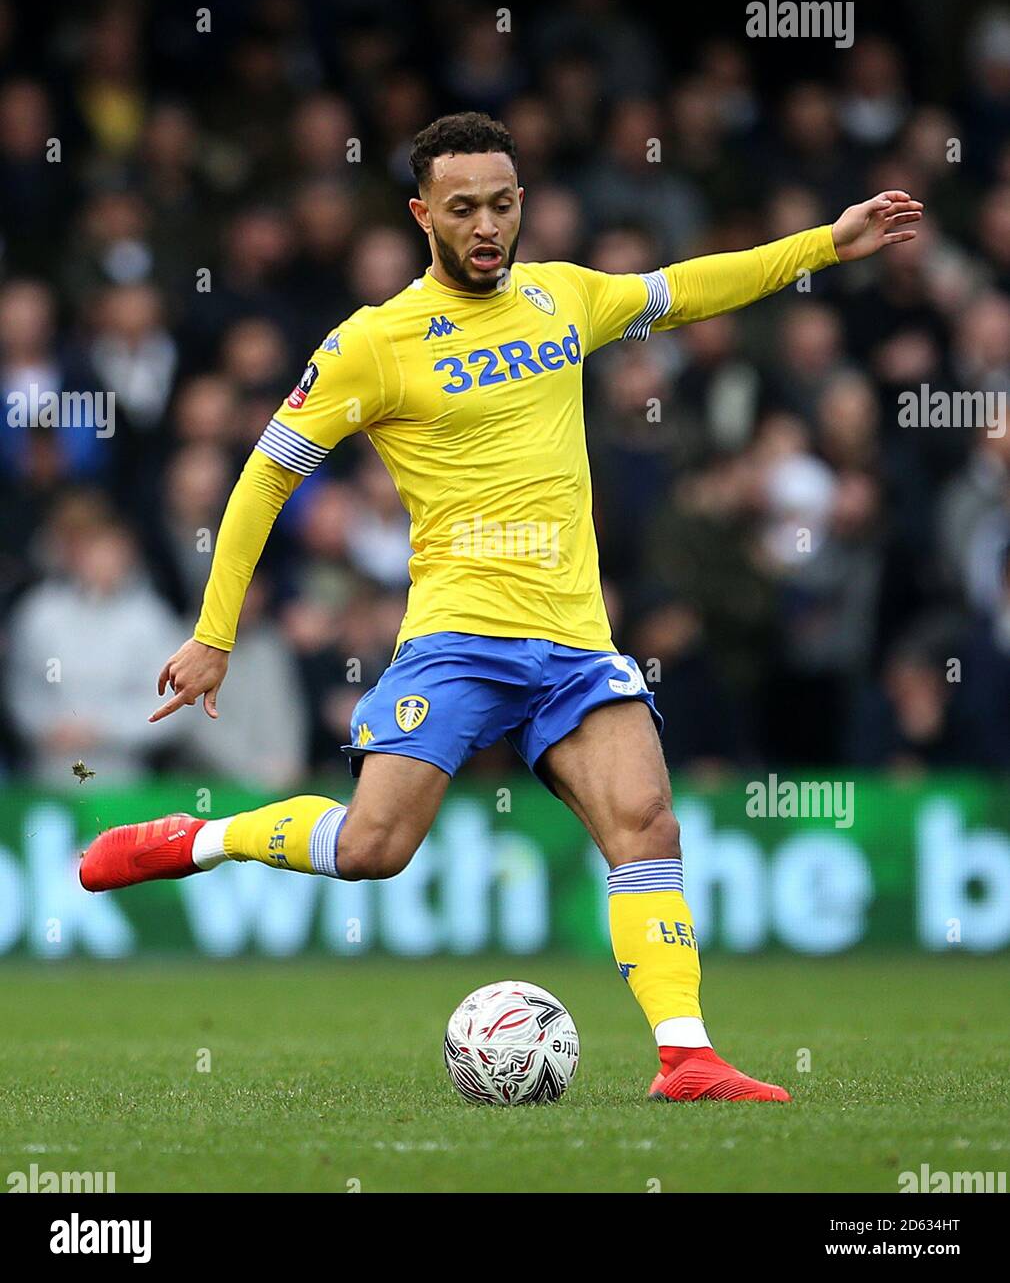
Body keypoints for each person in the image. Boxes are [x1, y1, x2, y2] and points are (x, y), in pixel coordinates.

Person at [80, 112, 923, 1102]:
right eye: (465, 208)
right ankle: (197, 838)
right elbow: (264, 478)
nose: (488, 225)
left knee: (646, 825)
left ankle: (685, 1055)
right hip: (457, 639)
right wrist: (212, 634)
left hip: (571, 640)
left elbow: (691, 287)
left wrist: (824, 243)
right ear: (421, 214)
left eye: (503, 204)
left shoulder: (563, 298)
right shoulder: (372, 343)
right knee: (370, 849)